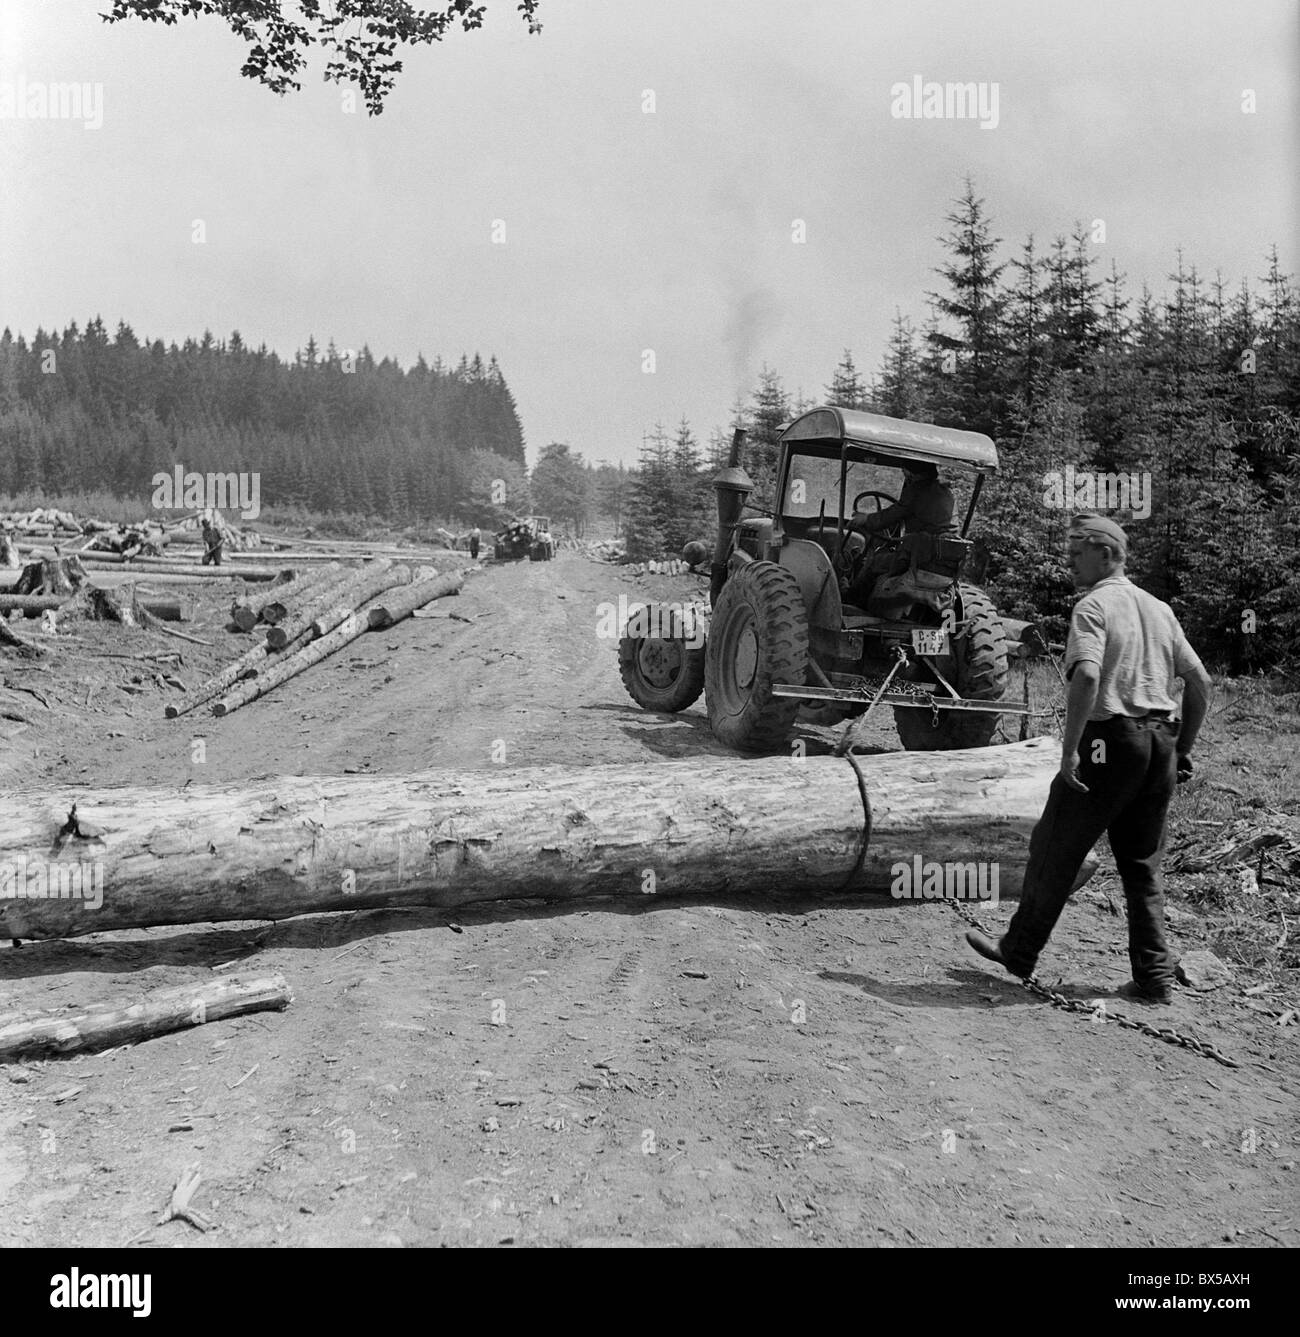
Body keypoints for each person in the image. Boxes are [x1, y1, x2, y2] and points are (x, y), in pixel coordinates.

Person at [965, 514, 1213, 1004]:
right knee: (1142, 866)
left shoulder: (1094, 605)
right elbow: (1200, 683)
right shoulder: (1159, 608)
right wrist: (1181, 749)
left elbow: (1087, 678)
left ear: (1106, 554)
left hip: (1110, 740)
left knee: (1056, 847)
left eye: (1078, 553)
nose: (1071, 562)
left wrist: (1070, 749)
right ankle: (1154, 977)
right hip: (1160, 739)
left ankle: (1018, 950)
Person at [844, 461, 955, 602]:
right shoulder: (946, 492)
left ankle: (852, 599)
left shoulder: (916, 490)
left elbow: (892, 515)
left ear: (910, 473)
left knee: (874, 562)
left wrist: (866, 519)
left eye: (904, 471)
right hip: (937, 556)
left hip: (917, 555)